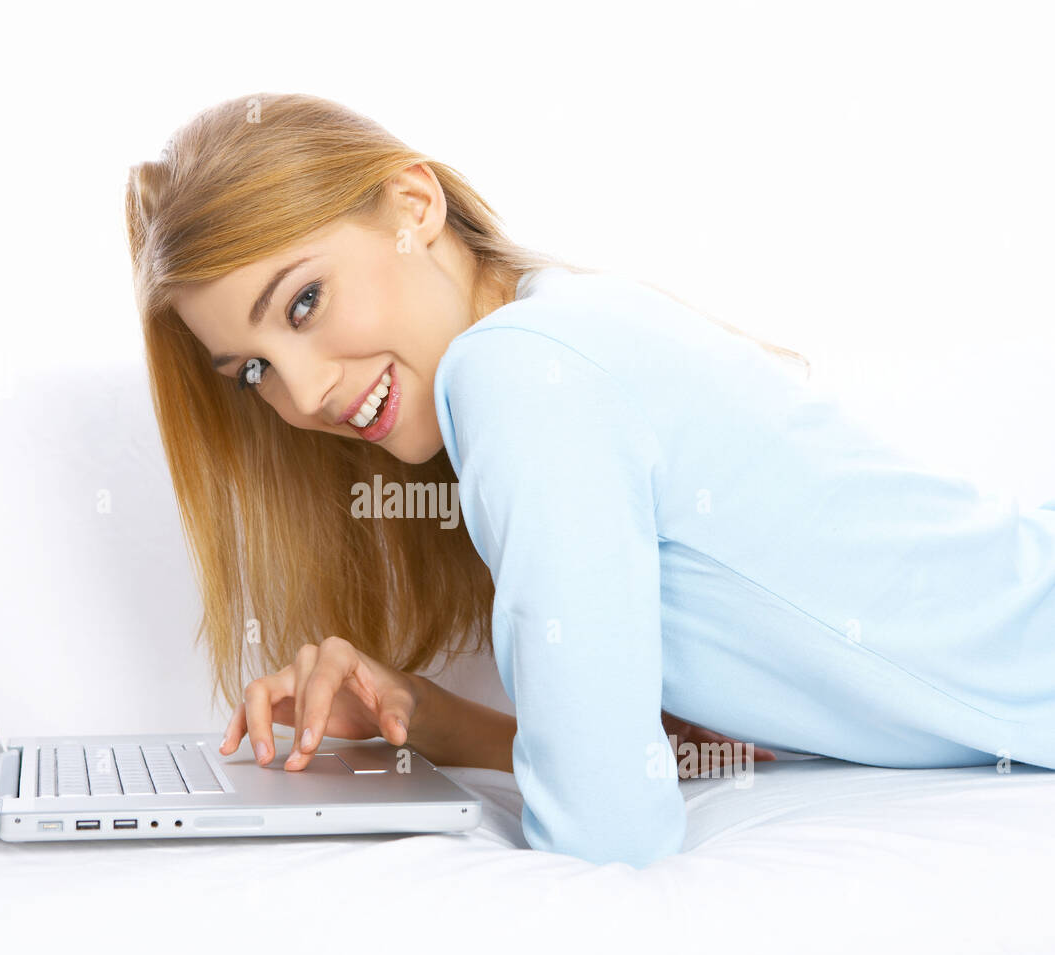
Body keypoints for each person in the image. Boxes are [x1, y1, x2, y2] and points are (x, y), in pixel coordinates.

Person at [124, 92, 1055, 868]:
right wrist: (429, 718)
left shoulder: (518, 368)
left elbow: (605, 832)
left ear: (413, 206)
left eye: (305, 301)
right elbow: (672, 758)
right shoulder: (552, 330)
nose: (306, 390)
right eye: (252, 371)